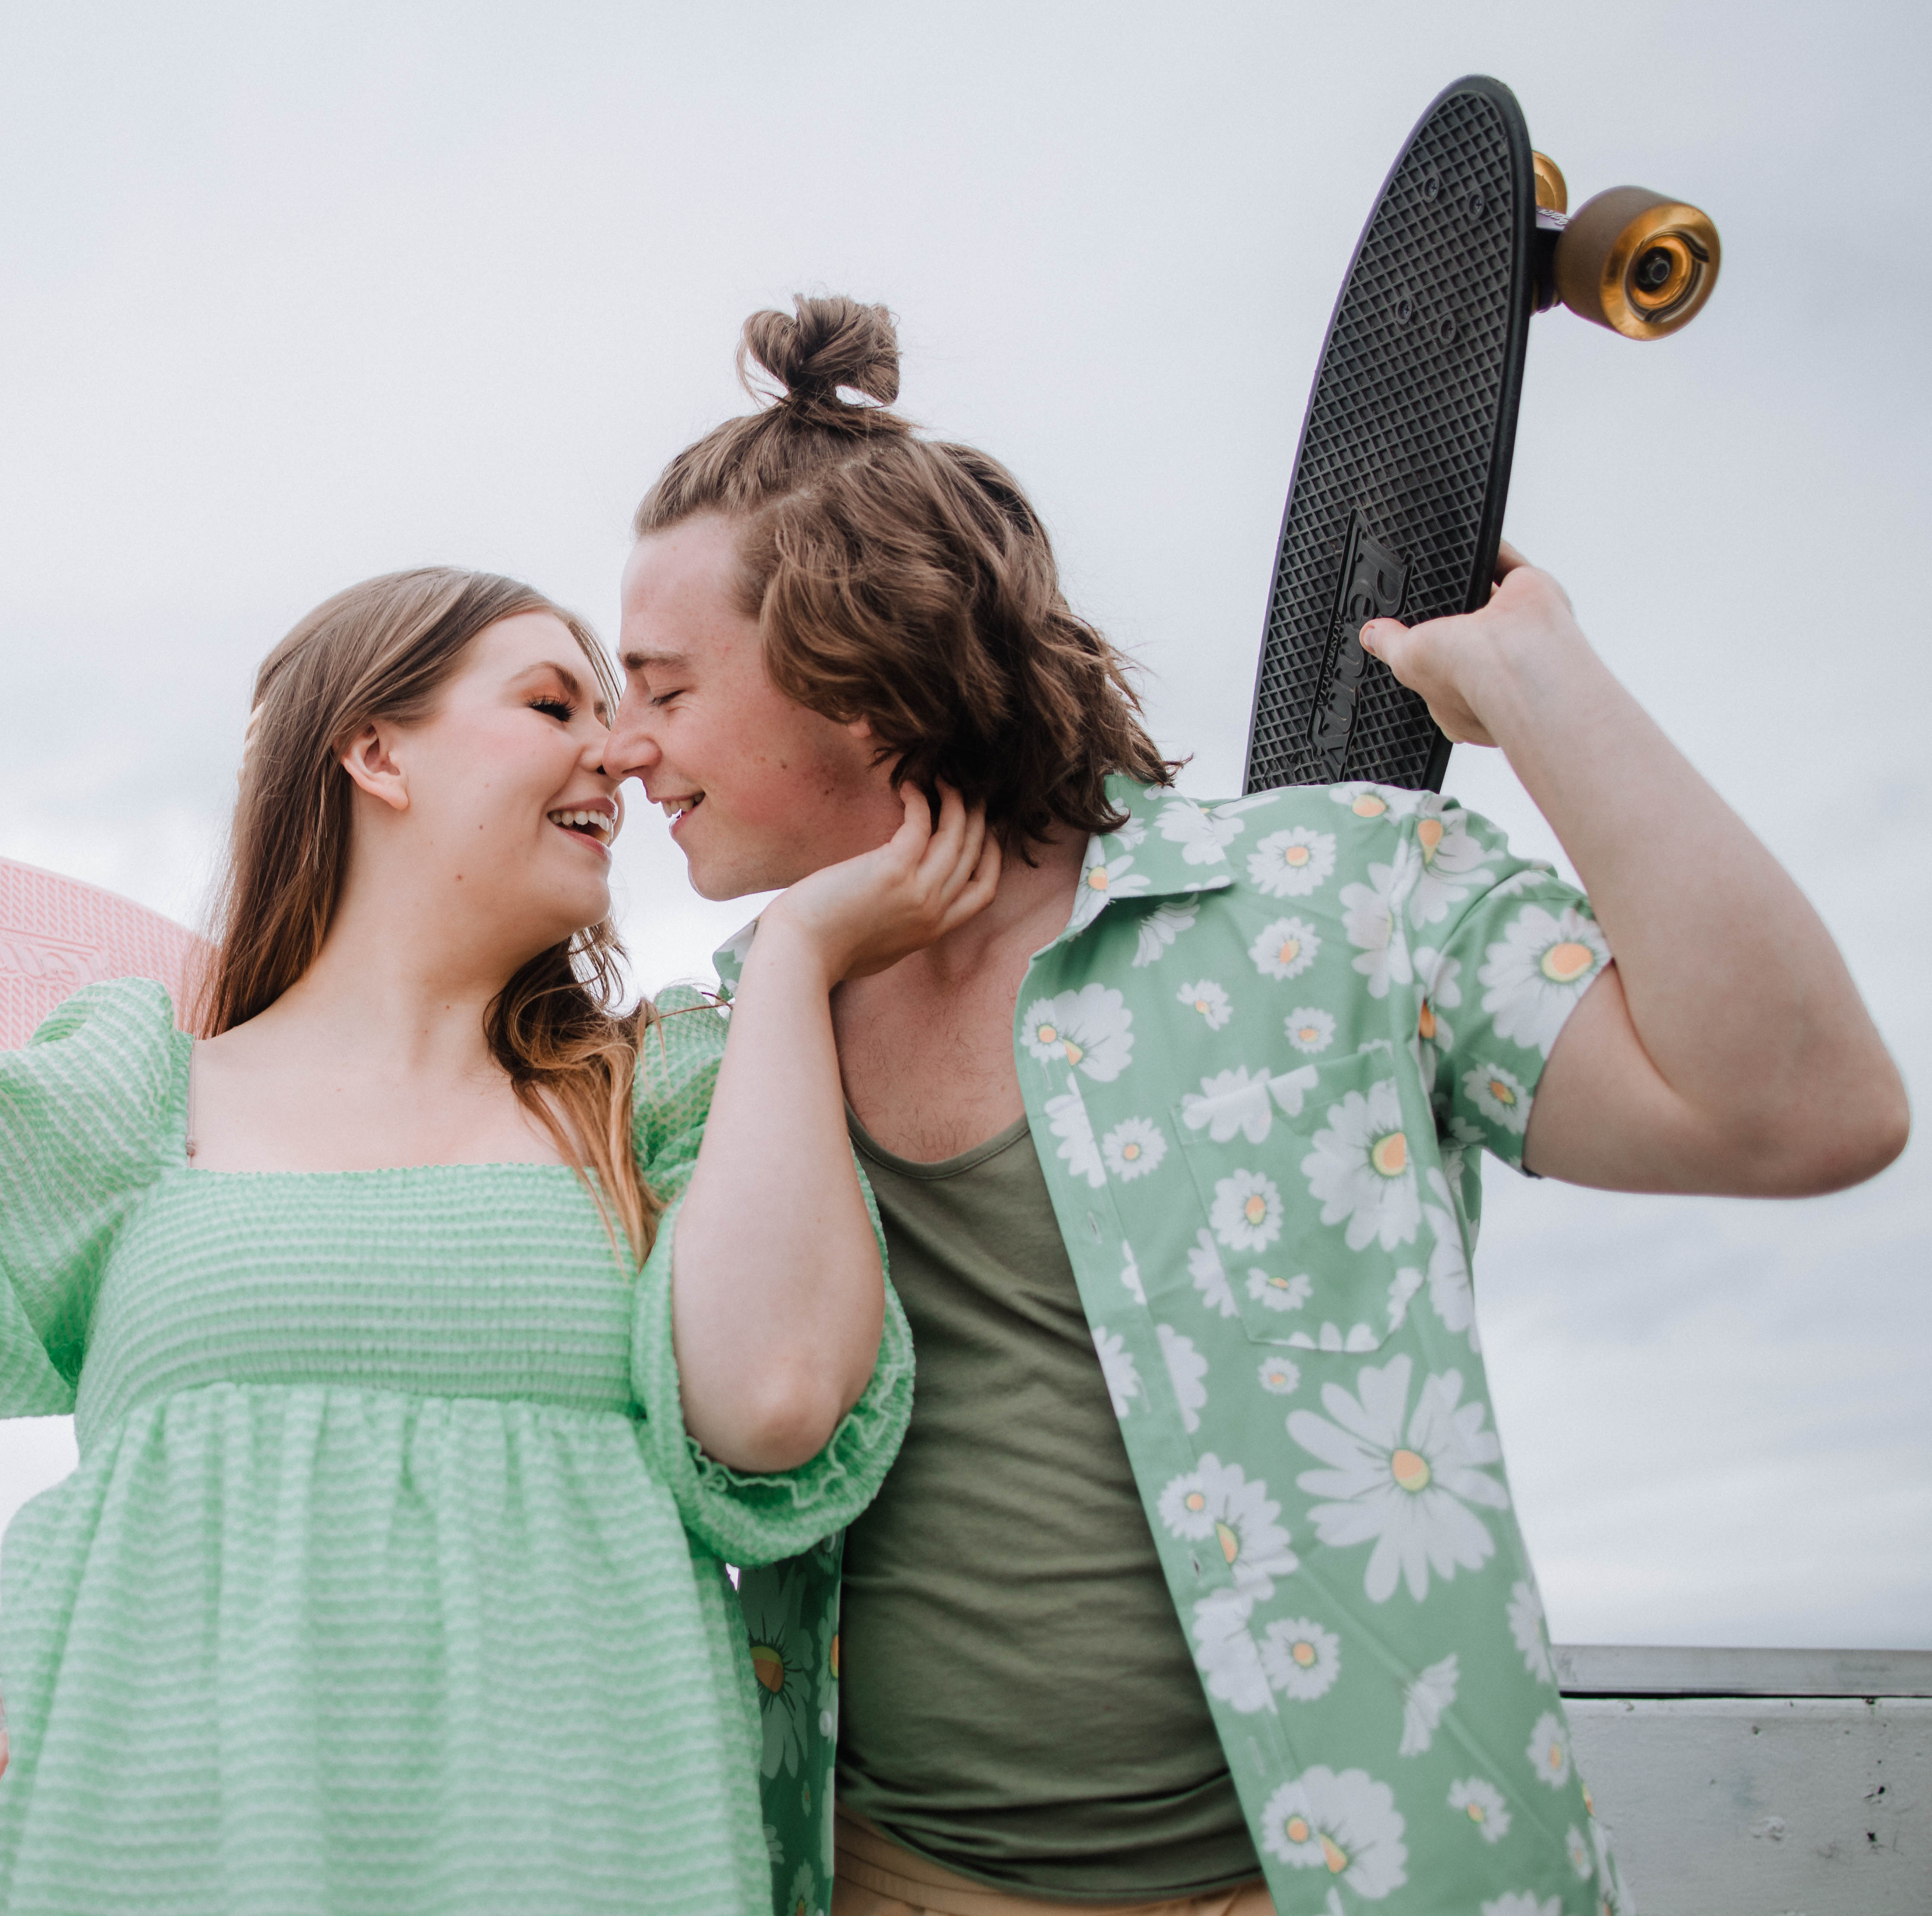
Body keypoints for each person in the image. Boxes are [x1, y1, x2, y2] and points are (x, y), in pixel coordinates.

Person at [600, 298, 1908, 1916]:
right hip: (877, 1880)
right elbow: (746, 1412)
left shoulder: (1334, 900)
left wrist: (1543, 688)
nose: (625, 746)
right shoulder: (729, 1040)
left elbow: (1802, 1112)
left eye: (663, 689)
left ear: (855, 679)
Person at [0, 567, 995, 1914]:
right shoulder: (135, 1094)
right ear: (376, 753)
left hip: (587, 1869)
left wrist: (798, 957)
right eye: (552, 705)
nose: (620, 756)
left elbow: (773, 1403)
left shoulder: (669, 1091)